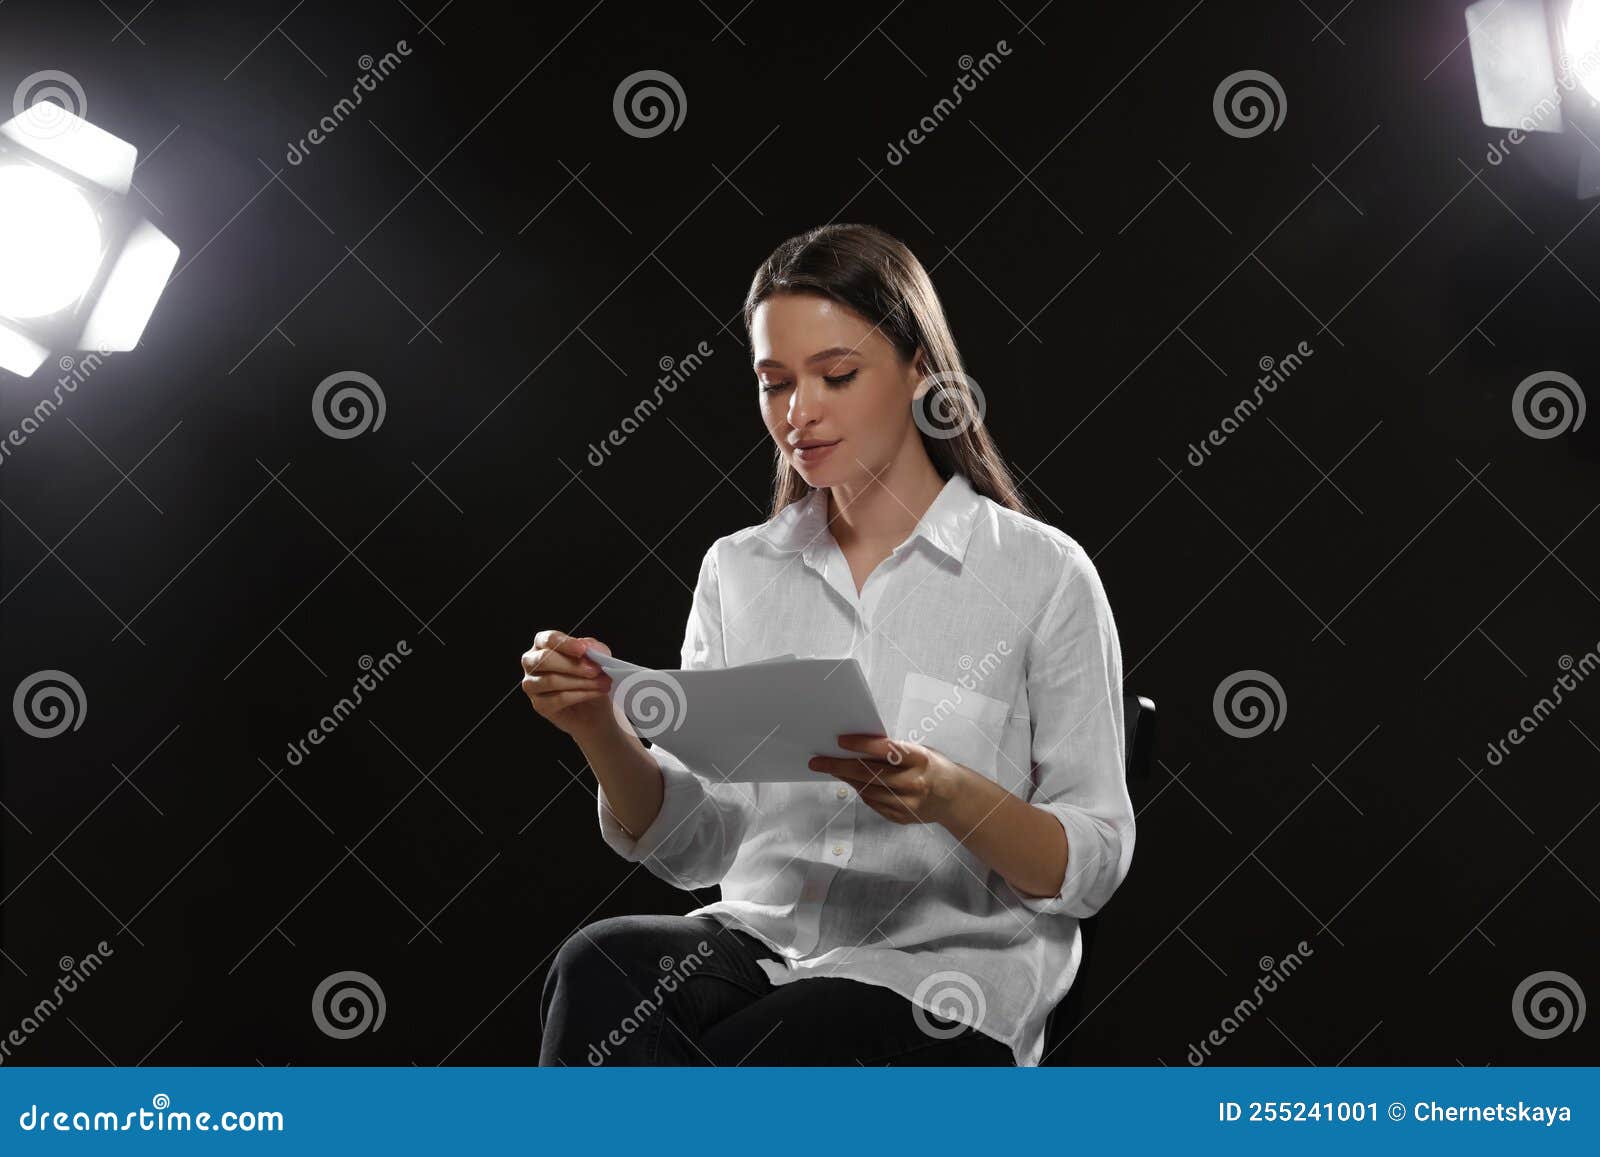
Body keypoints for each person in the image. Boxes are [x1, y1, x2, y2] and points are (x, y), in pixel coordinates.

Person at [522, 223, 1134, 1066]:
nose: (798, 414)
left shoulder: (1042, 574)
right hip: (761, 947)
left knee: (775, 1045)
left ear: (921, 367)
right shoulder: (739, 570)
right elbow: (698, 845)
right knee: (601, 966)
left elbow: (1094, 863)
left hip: (938, 987)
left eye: (837, 376)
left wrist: (951, 796)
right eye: (775, 384)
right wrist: (599, 729)